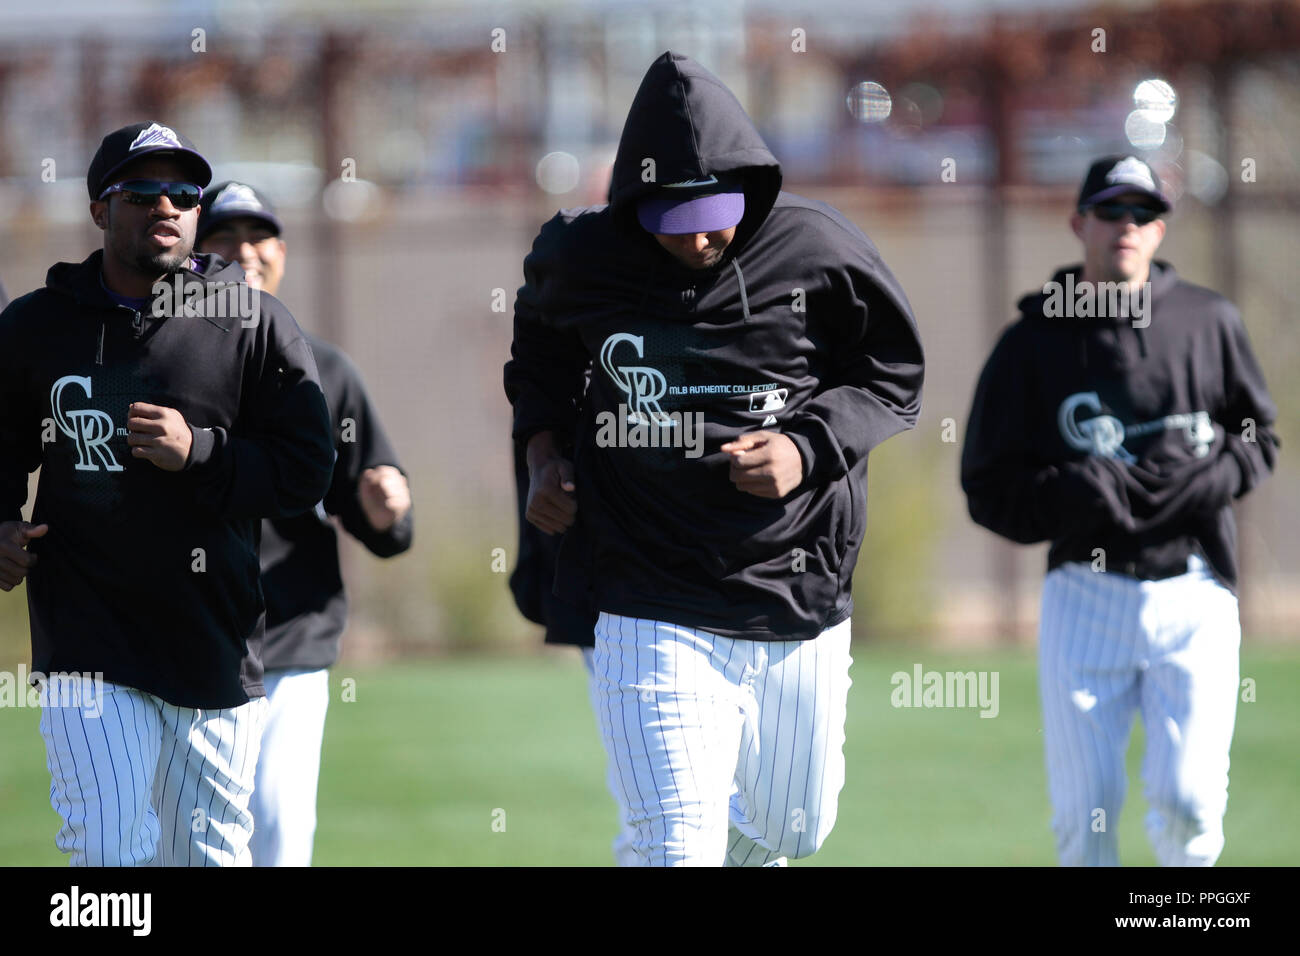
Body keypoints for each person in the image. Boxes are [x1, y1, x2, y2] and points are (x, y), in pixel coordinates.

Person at [504, 52, 924, 866]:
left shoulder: (818, 250)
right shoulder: (580, 257)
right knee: (673, 845)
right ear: (634, 207)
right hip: (645, 591)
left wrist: (807, 448)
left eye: (719, 209)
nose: (701, 233)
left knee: (794, 832)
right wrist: (544, 453)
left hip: (791, 590)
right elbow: (541, 361)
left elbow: (892, 376)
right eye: (676, 217)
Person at [0, 123, 334, 866]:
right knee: (109, 850)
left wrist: (202, 454)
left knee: (207, 857)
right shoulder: (35, 326)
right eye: (142, 192)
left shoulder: (251, 322)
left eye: (184, 193)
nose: (167, 206)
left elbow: (306, 468)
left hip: (210, 643)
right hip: (87, 643)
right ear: (99, 210)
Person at [961, 155, 1278, 866]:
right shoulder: (1033, 343)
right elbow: (987, 487)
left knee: (1191, 805)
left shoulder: (1208, 321)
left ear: (1160, 229)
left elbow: (1260, 439)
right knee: (1088, 820)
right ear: (1079, 224)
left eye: (1141, 213)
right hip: (1085, 593)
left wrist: (1204, 480)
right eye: (1110, 211)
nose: (1125, 227)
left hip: (1193, 591)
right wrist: (1074, 491)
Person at [196, 181, 414, 867]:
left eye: (256, 237)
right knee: (191, 835)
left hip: (291, 637)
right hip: (187, 635)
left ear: (282, 253)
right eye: (223, 238)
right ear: (194, 256)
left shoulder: (326, 371)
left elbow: (381, 519)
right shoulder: (171, 361)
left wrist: (386, 509)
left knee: (280, 831)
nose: (243, 252)